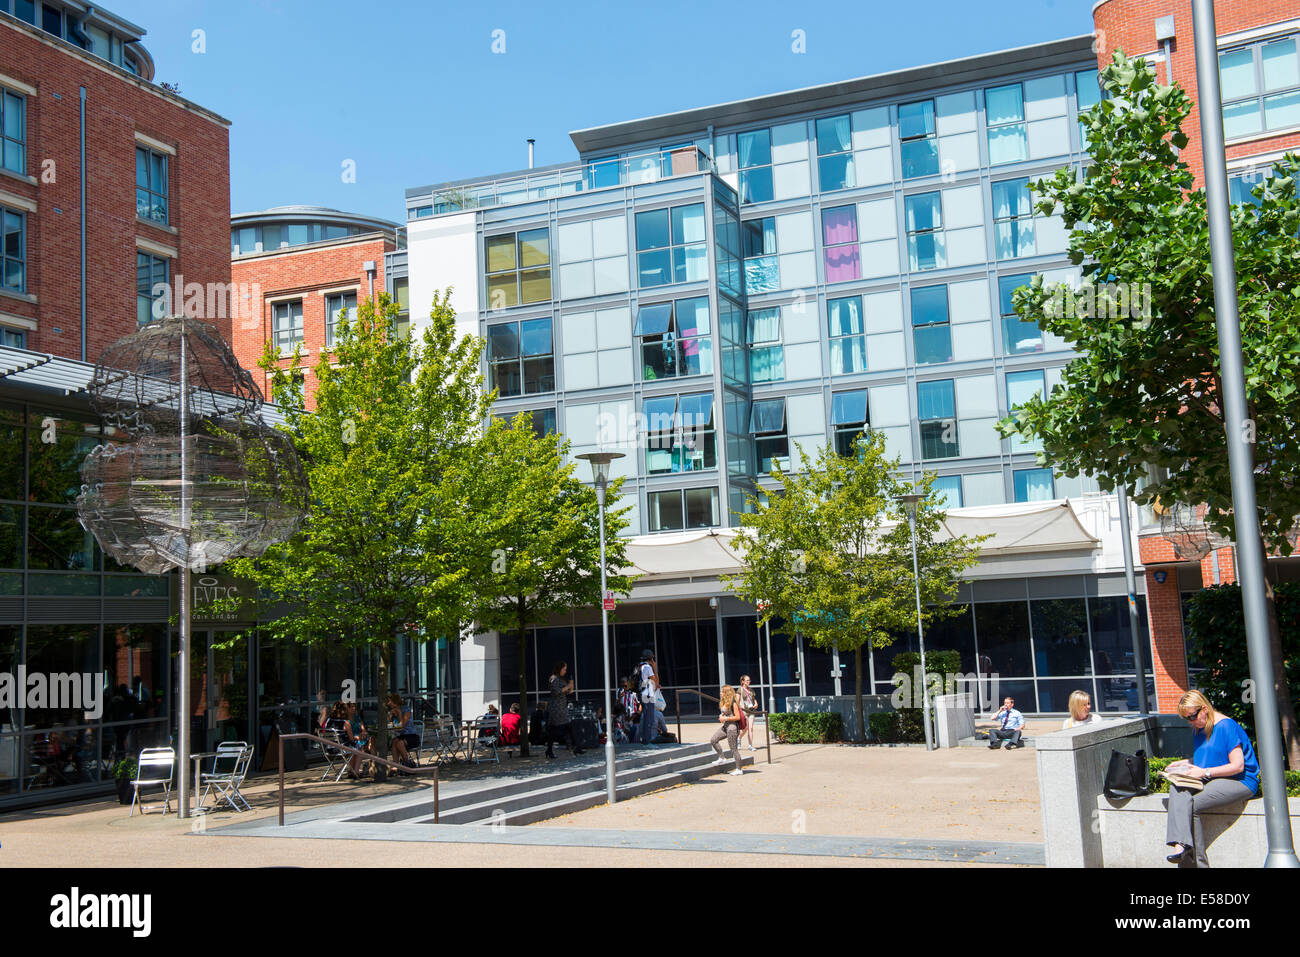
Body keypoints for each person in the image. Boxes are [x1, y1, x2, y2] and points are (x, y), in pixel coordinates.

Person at [1164, 690, 1259, 867]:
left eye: (1192, 716)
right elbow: (1207, 759)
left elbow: (1237, 766)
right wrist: (1183, 764)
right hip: (1214, 777)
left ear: (1205, 708)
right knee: (1176, 788)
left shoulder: (1225, 726)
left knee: (1192, 804)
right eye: (1187, 719)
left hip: (1240, 780)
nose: (1191, 722)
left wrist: (1204, 773)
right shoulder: (1198, 728)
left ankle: (1196, 864)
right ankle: (1179, 845)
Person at [546, 661, 584, 759]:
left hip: (562, 708)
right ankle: (550, 750)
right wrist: (567, 687)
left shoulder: (560, 679)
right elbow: (556, 692)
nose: (565, 671)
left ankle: (575, 747)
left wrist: (571, 686)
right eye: (564, 669)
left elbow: (568, 692)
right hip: (556, 709)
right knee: (557, 729)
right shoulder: (553, 678)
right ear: (560, 669)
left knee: (567, 727)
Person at [709, 685, 746, 776]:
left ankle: (739, 769)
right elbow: (725, 713)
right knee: (713, 740)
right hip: (726, 726)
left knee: (733, 749)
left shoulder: (733, 703)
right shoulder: (724, 702)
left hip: (732, 728)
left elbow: (737, 717)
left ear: (727, 693)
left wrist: (725, 718)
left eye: (722, 691)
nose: (720, 693)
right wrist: (721, 716)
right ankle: (722, 757)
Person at [386, 693, 419, 768]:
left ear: (394, 701)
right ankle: (396, 765)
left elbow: (402, 725)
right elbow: (388, 724)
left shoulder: (406, 709)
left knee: (399, 743)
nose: (388, 703)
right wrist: (389, 716)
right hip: (401, 736)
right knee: (395, 741)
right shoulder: (393, 711)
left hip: (412, 736)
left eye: (389, 701)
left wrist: (399, 713)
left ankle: (406, 764)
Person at [638, 651, 660, 745]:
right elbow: (656, 681)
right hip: (648, 694)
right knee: (649, 718)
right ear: (650, 658)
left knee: (646, 716)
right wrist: (654, 668)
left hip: (643, 693)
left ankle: (644, 739)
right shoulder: (647, 667)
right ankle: (646, 741)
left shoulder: (640, 666)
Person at [738, 675, 759, 751]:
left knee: (751, 728)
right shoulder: (740, 690)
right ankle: (739, 738)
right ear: (743, 681)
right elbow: (737, 701)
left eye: (749, 680)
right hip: (744, 711)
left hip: (751, 710)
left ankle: (750, 745)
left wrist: (756, 703)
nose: (748, 682)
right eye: (747, 680)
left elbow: (754, 699)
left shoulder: (751, 690)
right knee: (745, 728)